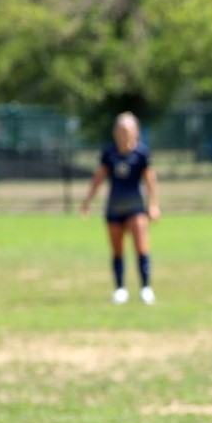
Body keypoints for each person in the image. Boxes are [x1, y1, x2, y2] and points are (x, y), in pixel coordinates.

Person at [79, 112, 159, 305]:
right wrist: (88, 201)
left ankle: (145, 288)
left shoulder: (141, 153)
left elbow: (149, 180)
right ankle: (120, 289)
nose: (124, 133)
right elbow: (99, 177)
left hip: (136, 206)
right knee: (117, 249)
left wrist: (153, 205)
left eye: (128, 129)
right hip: (114, 206)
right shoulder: (109, 153)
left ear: (135, 131)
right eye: (121, 130)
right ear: (115, 132)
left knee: (141, 246)